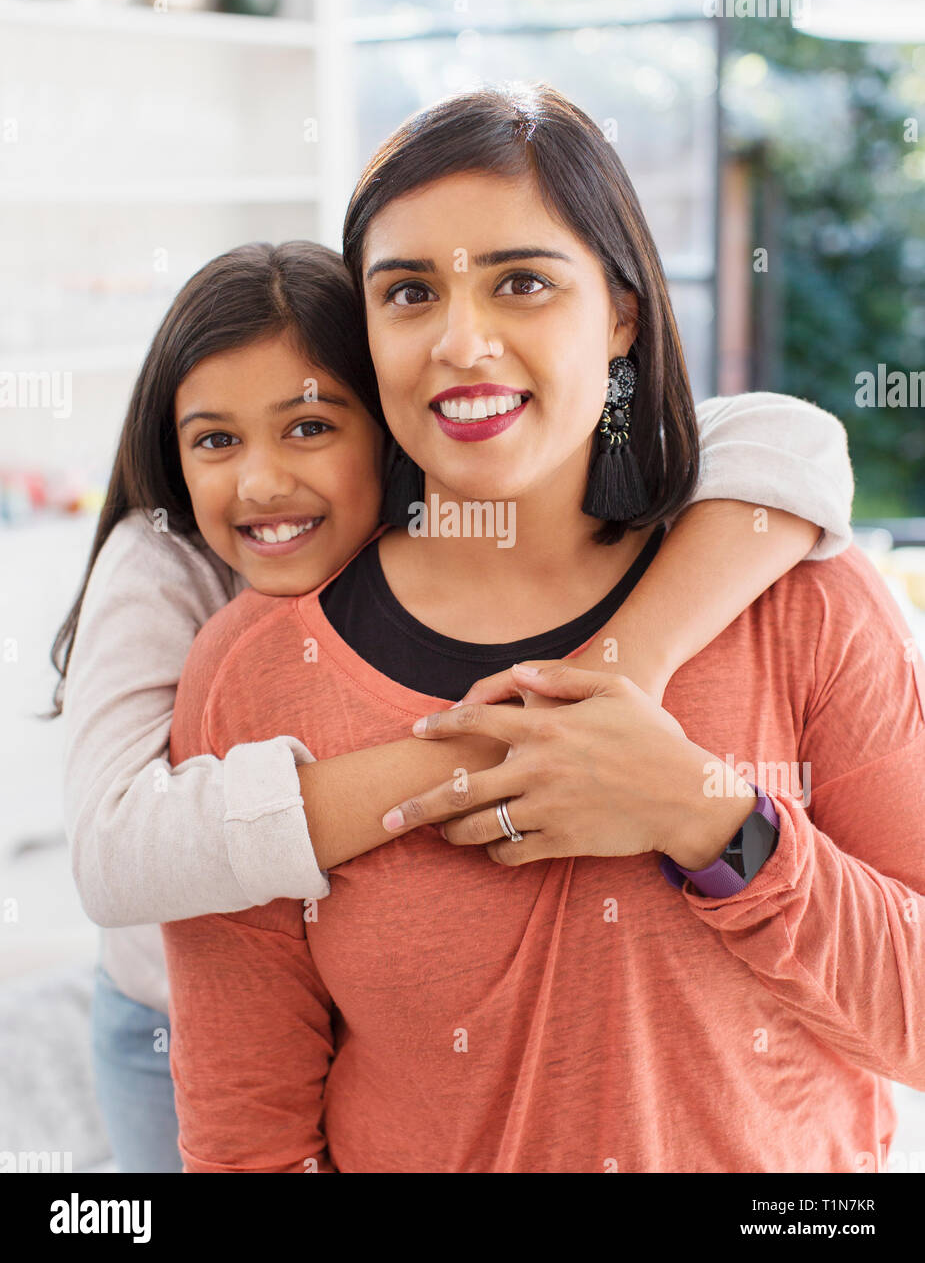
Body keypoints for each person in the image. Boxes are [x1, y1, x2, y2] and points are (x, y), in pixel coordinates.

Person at [157, 82, 924, 1173]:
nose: (462, 341)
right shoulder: (256, 672)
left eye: (521, 281)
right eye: (410, 293)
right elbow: (248, 1133)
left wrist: (705, 818)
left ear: (619, 311)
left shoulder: (796, 600)